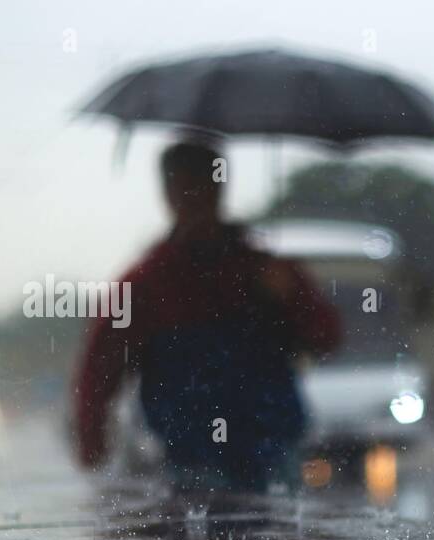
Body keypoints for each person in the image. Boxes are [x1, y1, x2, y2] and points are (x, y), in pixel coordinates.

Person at [72, 140, 341, 492]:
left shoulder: (265, 270)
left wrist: (291, 297)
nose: (195, 198)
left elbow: (327, 338)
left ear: (220, 188)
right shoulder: (146, 284)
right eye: (184, 187)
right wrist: (91, 436)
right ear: (168, 194)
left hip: (275, 457)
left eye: (204, 185)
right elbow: (100, 367)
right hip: (190, 464)